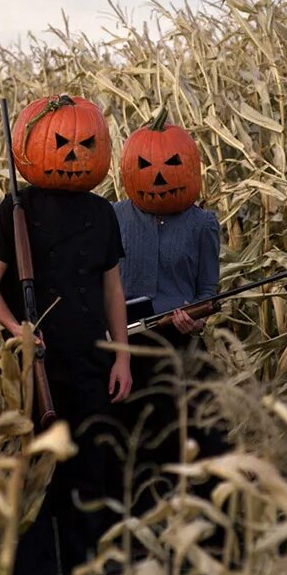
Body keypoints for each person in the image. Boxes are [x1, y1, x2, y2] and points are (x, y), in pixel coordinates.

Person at [0, 94, 132, 575]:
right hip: (35, 368)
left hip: (92, 360)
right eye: (61, 143)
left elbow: (113, 287)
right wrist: (17, 330)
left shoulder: (101, 212)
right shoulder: (16, 209)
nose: (72, 154)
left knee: (93, 469)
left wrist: (122, 355)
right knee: (37, 477)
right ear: (31, 145)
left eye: (85, 145)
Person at [112, 110, 225, 515]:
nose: (158, 177)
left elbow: (208, 293)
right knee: (134, 441)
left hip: (179, 345)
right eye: (145, 167)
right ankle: (139, 527)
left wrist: (195, 319)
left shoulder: (202, 224)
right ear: (128, 169)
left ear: (190, 168)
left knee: (202, 435)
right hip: (125, 348)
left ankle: (204, 526)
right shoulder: (114, 218)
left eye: (172, 165)